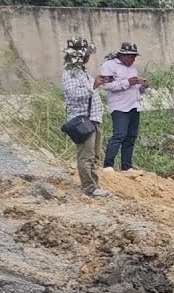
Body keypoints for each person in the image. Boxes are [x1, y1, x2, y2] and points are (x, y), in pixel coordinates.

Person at [61, 38, 110, 198]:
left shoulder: (81, 72)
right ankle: (89, 187)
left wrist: (94, 85)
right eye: (87, 53)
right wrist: (93, 85)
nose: (89, 56)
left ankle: (94, 185)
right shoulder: (70, 74)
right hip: (82, 121)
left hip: (92, 119)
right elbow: (74, 95)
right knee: (86, 156)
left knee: (95, 155)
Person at [99, 42, 146, 174]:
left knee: (131, 136)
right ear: (123, 55)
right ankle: (108, 165)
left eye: (134, 57)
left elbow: (136, 89)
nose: (133, 59)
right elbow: (106, 86)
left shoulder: (132, 69)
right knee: (119, 135)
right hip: (119, 106)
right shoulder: (109, 66)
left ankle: (127, 166)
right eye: (131, 56)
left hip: (134, 105)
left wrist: (142, 87)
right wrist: (127, 82)